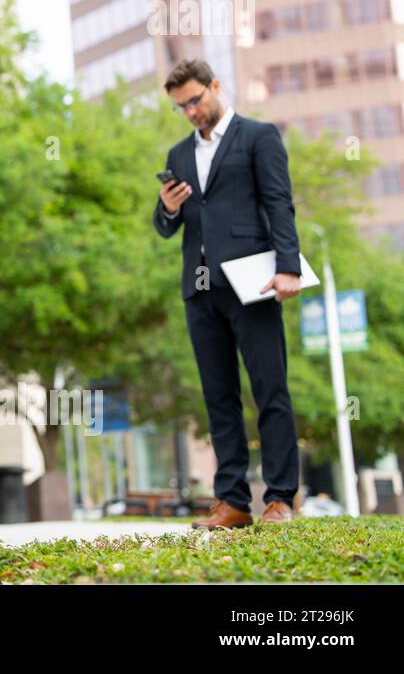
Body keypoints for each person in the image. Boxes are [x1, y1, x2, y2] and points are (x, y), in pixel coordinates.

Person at [153, 58, 301, 529]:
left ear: (215, 86)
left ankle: (279, 498)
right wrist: (167, 209)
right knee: (219, 398)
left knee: (269, 390)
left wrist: (288, 268)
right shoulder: (178, 154)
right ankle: (232, 501)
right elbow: (166, 227)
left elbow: (279, 203)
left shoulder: (259, 136)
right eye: (182, 107)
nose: (191, 112)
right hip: (200, 290)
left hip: (252, 282)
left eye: (195, 100)